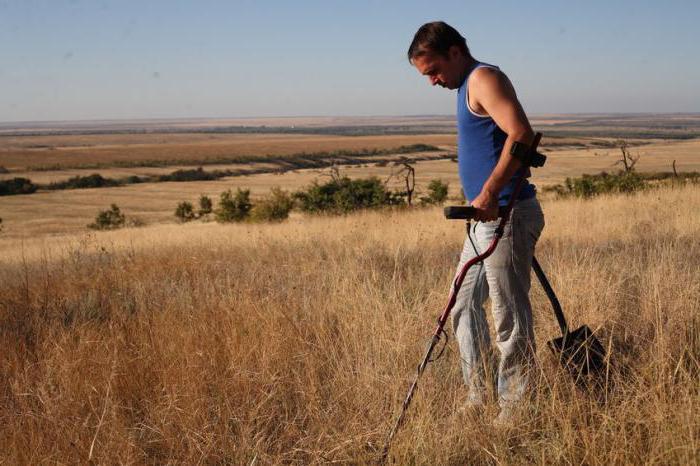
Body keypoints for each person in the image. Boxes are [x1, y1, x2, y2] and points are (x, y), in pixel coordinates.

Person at [408, 21, 545, 423]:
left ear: (454, 52)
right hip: (481, 221)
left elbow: (521, 134)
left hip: (509, 214)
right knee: (463, 305)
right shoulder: (465, 84)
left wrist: (489, 190)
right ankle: (478, 395)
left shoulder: (483, 78)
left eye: (434, 70)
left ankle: (516, 409)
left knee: (509, 315)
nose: (432, 81)